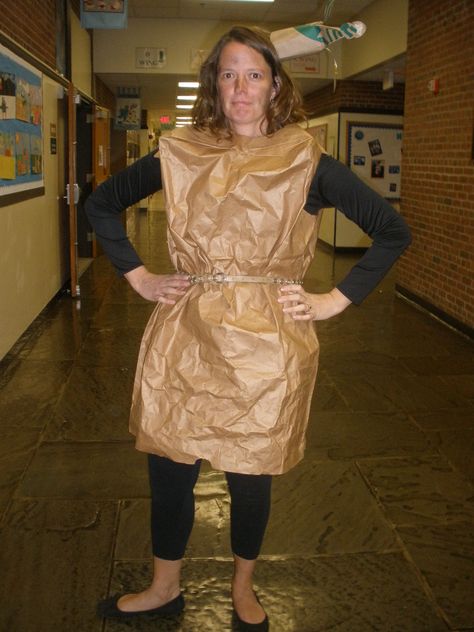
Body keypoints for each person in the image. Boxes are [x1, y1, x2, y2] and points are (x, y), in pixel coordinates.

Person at [86, 26, 411, 631]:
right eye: (229, 73)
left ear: (275, 84)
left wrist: (334, 300)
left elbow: (391, 228)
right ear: (214, 83)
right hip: (186, 334)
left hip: (265, 343)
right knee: (170, 469)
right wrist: (140, 277)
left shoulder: (307, 160)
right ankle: (164, 586)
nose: (241, 87)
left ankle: (243, 587)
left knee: (250, 475)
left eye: (254, 73)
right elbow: (102, 203)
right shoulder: (179, 153)